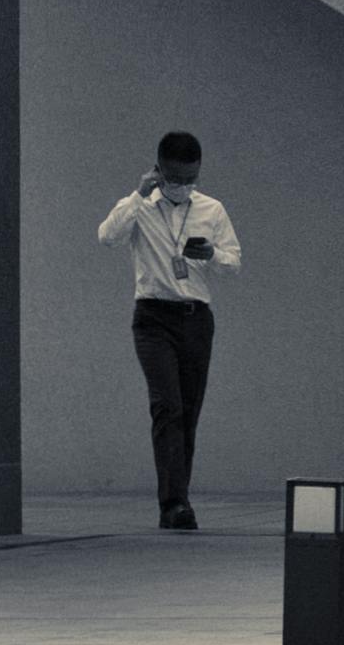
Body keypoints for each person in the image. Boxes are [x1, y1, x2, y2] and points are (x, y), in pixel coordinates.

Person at [98, 129, 241, 528]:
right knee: (167, 406)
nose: (181, 186)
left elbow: (233, 262)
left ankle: (180, 498)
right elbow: (106, 237)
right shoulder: (140, 206)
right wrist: (137, 195)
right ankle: (174, 505)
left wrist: (211, 254)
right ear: (159, 171)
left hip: (196, 319)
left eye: (189, 179)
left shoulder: (211, 209)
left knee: (188, 412)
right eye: (174, 179)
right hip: (152, 318)